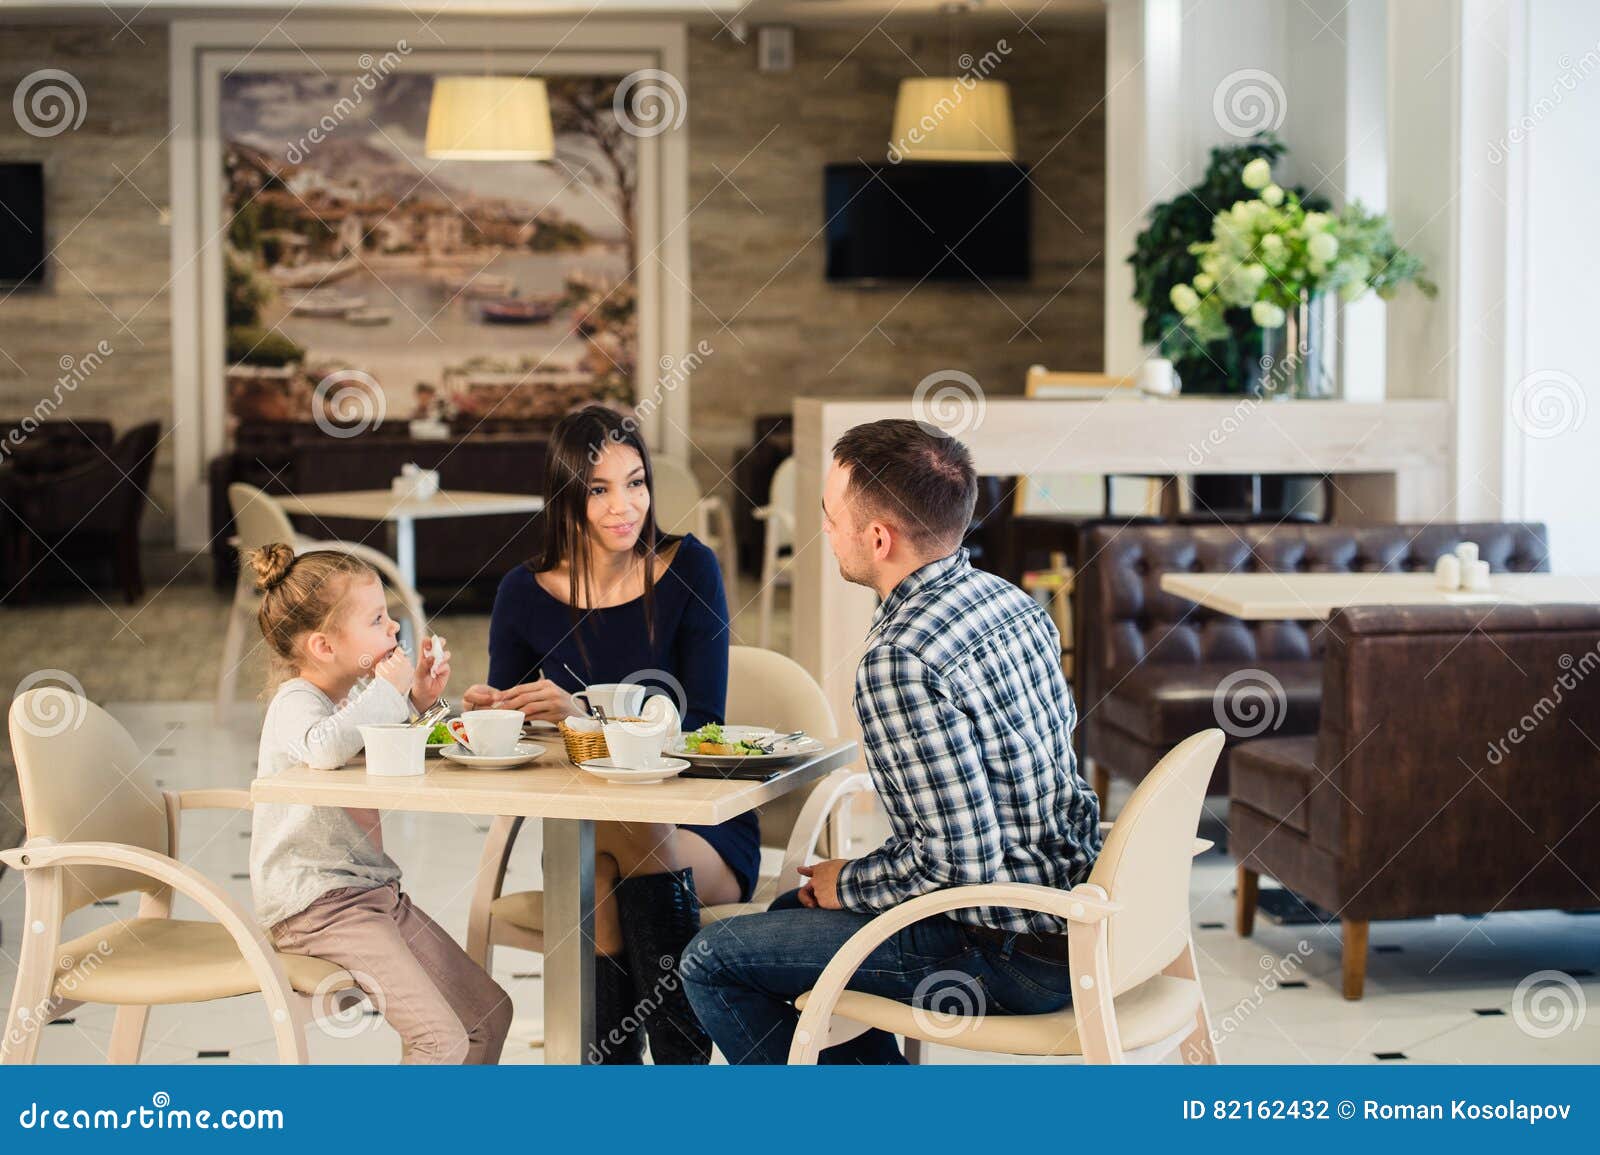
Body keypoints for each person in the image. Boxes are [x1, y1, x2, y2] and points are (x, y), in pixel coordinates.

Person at [682, 418, 1103, 1064]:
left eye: (830, 515)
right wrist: (838, 884)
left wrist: (849, 881)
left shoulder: (902, 658)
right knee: (790, 909)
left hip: (1002, 950)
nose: (824, 530)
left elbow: (962, 866)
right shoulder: (1012, 602)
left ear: (878, 539)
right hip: (1068, 914)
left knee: (713, 960)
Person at [461, 405, 739, 1064]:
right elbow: (525, 743)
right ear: (566, 496)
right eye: (600, 488)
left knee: (614, 843)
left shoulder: (691, 570)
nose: (626, 505)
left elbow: (703, 727)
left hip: (695, 826)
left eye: (636, 481)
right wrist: (494, 714)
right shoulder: (522, 593)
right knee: (599, 852)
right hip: (585, 831)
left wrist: (582, 712)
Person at [247, 544, 512, 1064]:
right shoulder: (295, 703)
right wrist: (388, 691)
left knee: (488, 1015)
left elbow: (388, 748)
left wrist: (418, 701)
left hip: (370, 894)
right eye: (376, 620)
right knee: (441, 1041)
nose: (394, 629)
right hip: (316, 906)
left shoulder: (349, 701)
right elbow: (326, 747)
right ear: (324, 645)